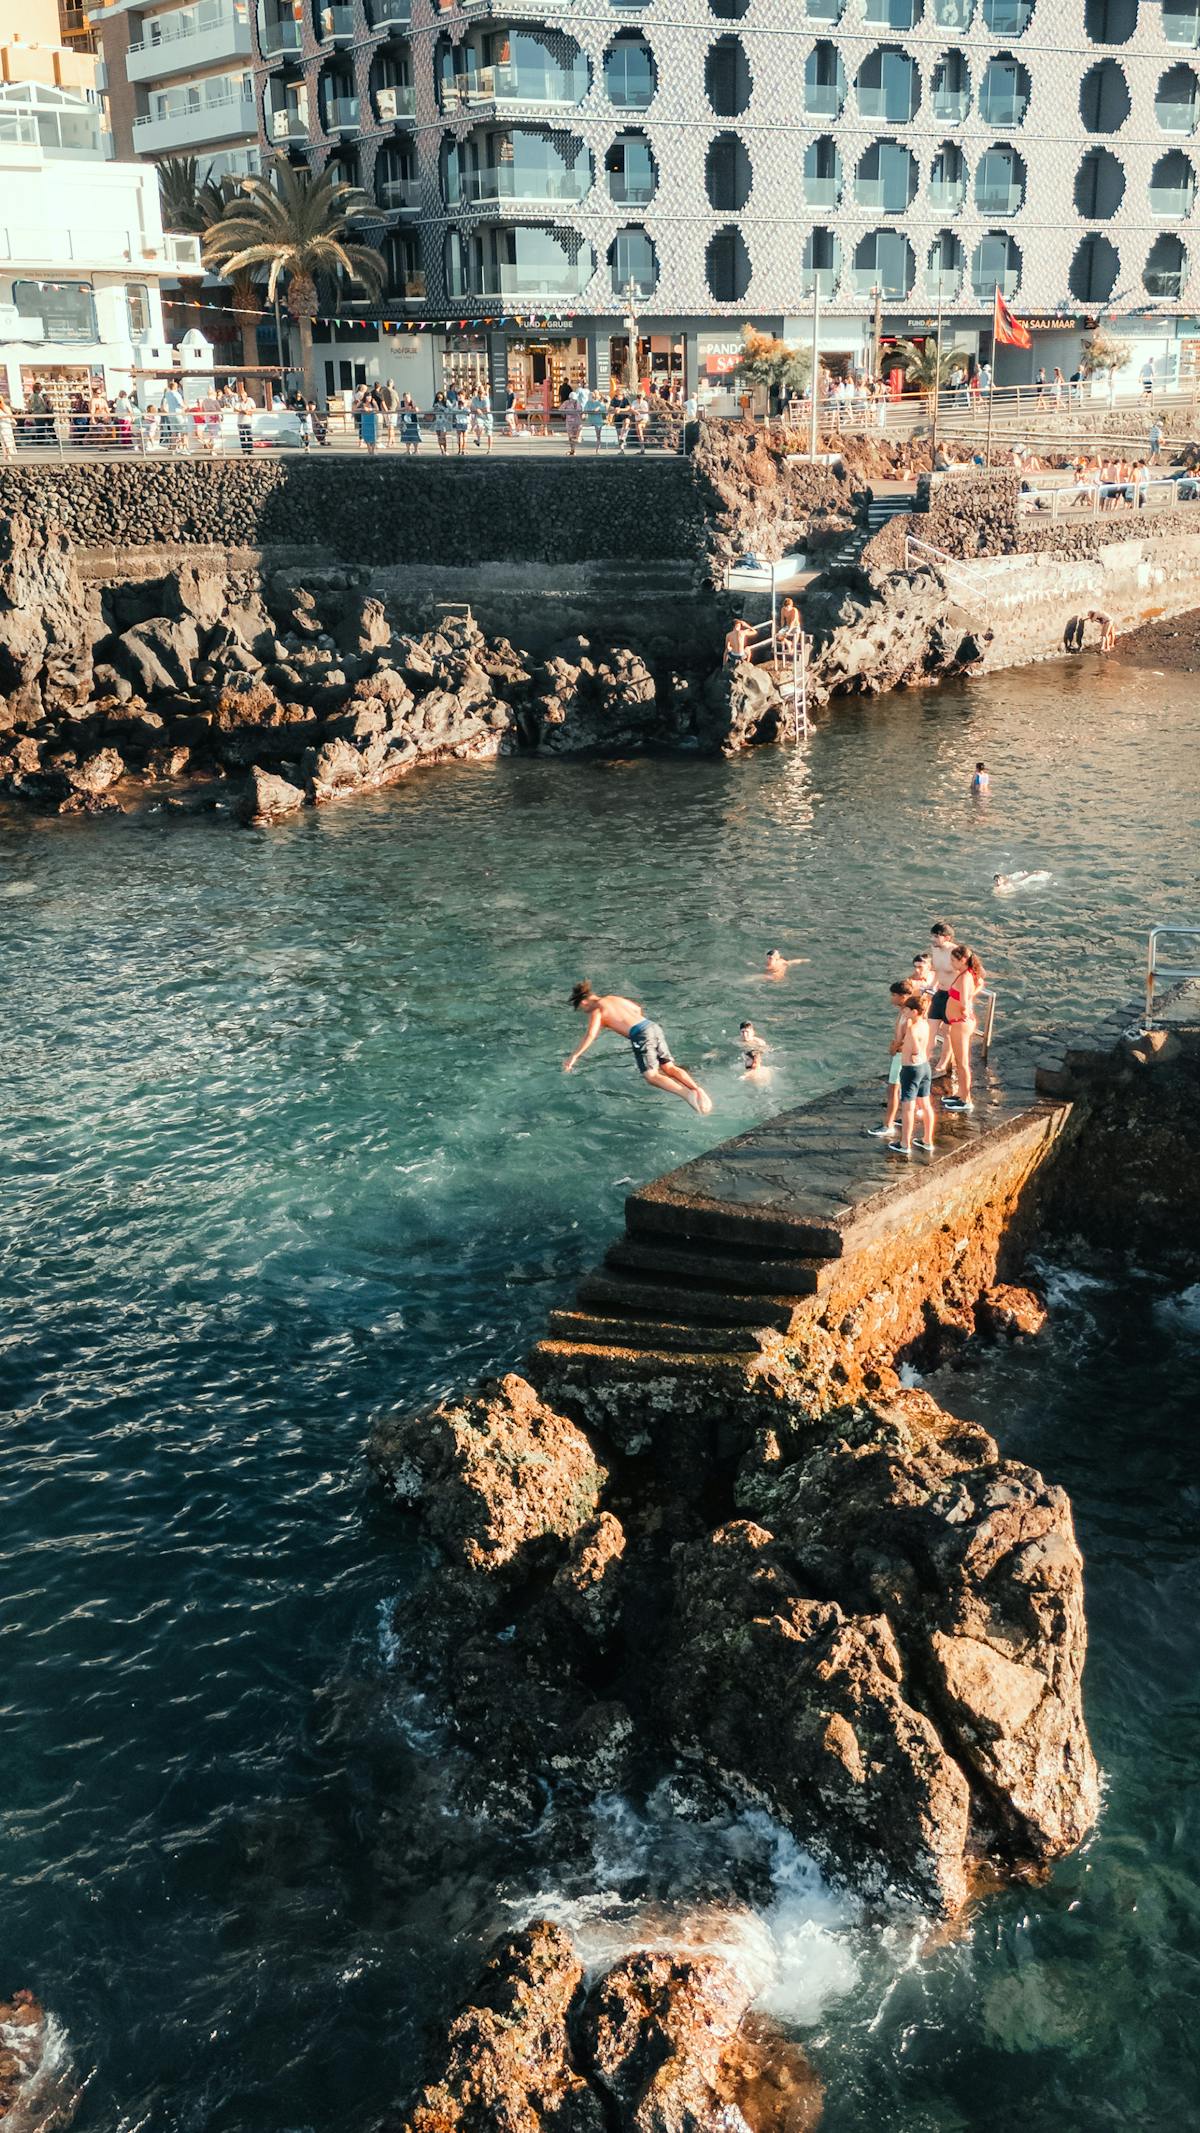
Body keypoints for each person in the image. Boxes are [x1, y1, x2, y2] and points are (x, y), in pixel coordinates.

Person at [564, 981, 713, 1115]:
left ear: (584, 1002)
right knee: (668, 1067)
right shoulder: (612, 998)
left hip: (641, 1034)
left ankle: (687, 1095)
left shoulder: (597, 1010)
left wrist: (574, 1056)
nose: (586, 1012)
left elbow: (591, 1034)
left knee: (651, 1076)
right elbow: (637, 1008)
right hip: (652, 1026)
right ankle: (697, 1089)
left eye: (583, 1009)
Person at [890, 993, 937, 1158]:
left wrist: (910, 1051)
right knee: (925, 1104)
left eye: (907, 1010)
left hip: (911, 1069)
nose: (904, 1012)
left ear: (914, 1011)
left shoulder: (912, 1029)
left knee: (908, 1108)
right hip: (925, 1067)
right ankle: (927, 1140)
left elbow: (915, 1048)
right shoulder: (925, 1024)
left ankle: (905, 1144)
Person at [867, 981, 916, 1140]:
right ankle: (912, 1114)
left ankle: (888, 1125)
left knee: (893, 1089)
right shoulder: (905, 1011)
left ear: (903, 996)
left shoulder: (907, 1016)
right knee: (908, 1088)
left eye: (894, 995)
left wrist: (894, 1048)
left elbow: (908, 1037)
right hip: (903, 1054)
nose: (891, 998)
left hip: (901, 1055)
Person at [942, 946, 983, 1113]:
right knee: (959, 1062)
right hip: (958, 1022)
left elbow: (965, 1000)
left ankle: (967, 1100)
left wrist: (965, 1010)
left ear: (963, 960)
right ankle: (961, 1093)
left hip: (961, 1023)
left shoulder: (965, 977)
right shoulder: (966, 974)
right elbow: (979, 983)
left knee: (962, 1063)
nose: (951, 963)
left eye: (953, 960)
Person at [927, 919, 957, 1079]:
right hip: (940, 993)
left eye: (936, 936)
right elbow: (937, 970)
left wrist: (966, 998)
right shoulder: (935, 949)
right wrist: (931, 985)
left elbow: (976, 975)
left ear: (947, 938)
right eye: (932, 935)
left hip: (954, 996)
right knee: (930, 1029)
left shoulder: (957, 952)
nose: (932, 939)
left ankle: (942, 1065)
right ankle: (924, 1060)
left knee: (947, 1032)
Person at [468, 387, 493, 454]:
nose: (480, 394)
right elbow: (471, 407)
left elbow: (487, 409)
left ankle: (489, 448)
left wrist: (478, 409)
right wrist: (477, 409)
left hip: (487, 417)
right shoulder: (474, 399)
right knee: (479, 426)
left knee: (489, 433)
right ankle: (478, 440)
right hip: (479, 416)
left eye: (482, 393)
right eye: (479, 392)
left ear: (484, 393)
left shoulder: (486, 399)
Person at [609, 385, 633, 453]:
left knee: (626, 422)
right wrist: (615, 409)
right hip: (617, 418)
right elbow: (610, 408)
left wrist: (620, 409)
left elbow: (628, 408)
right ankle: (621, 449)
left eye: (619, 393)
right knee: (619, 433)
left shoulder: (625, 399)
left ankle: (623, 437)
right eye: (617, 393)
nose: (618, 394)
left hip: (625, 416)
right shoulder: (614, 399)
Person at [563, 389, 584, 457]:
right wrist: (566, 412)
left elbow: (581, 411)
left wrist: (582, 415)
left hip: (577, 421)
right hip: (569, 422)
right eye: (571, 399)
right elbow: (560, 409)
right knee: (571, 437)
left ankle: (576, 442)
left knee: (577, 435)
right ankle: (573, 450)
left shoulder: (579, 403)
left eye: (574, 399)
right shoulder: (566, 403)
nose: (572, 400)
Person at [236, 385, 255, 456]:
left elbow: (254, 408)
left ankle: (250, 449)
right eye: (241, 396)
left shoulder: (250, 400)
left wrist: (248, 412)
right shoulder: (239, 401)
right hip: (240, 421)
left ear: (246, 396)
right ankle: (244, 450)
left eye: (242, 396)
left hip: (248, 421)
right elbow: (235, 408)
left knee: (249, 435)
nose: (241, 398)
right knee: (242, 436)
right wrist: (243, 411)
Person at [432, 390, 452, 455]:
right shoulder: (435, 404)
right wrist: (435, 409)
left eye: (440, 397)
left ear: (443, 397)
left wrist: (442, 408)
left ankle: (445, 450)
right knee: (439, 436)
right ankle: (442, 450)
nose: (439, 399)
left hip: (444, 421)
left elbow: (450, 409)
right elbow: (433, 411)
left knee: (442, 436)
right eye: (438, 398)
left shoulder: (446, 402)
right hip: (437, 421)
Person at [0, 393, 14, 460]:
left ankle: (6, 455)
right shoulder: (5, 407)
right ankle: (8, 454)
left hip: (2, 425)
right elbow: (10, 415)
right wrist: (14, 421)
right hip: (6, 425)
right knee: (7, 439)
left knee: (4, 440)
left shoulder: (4, 408)